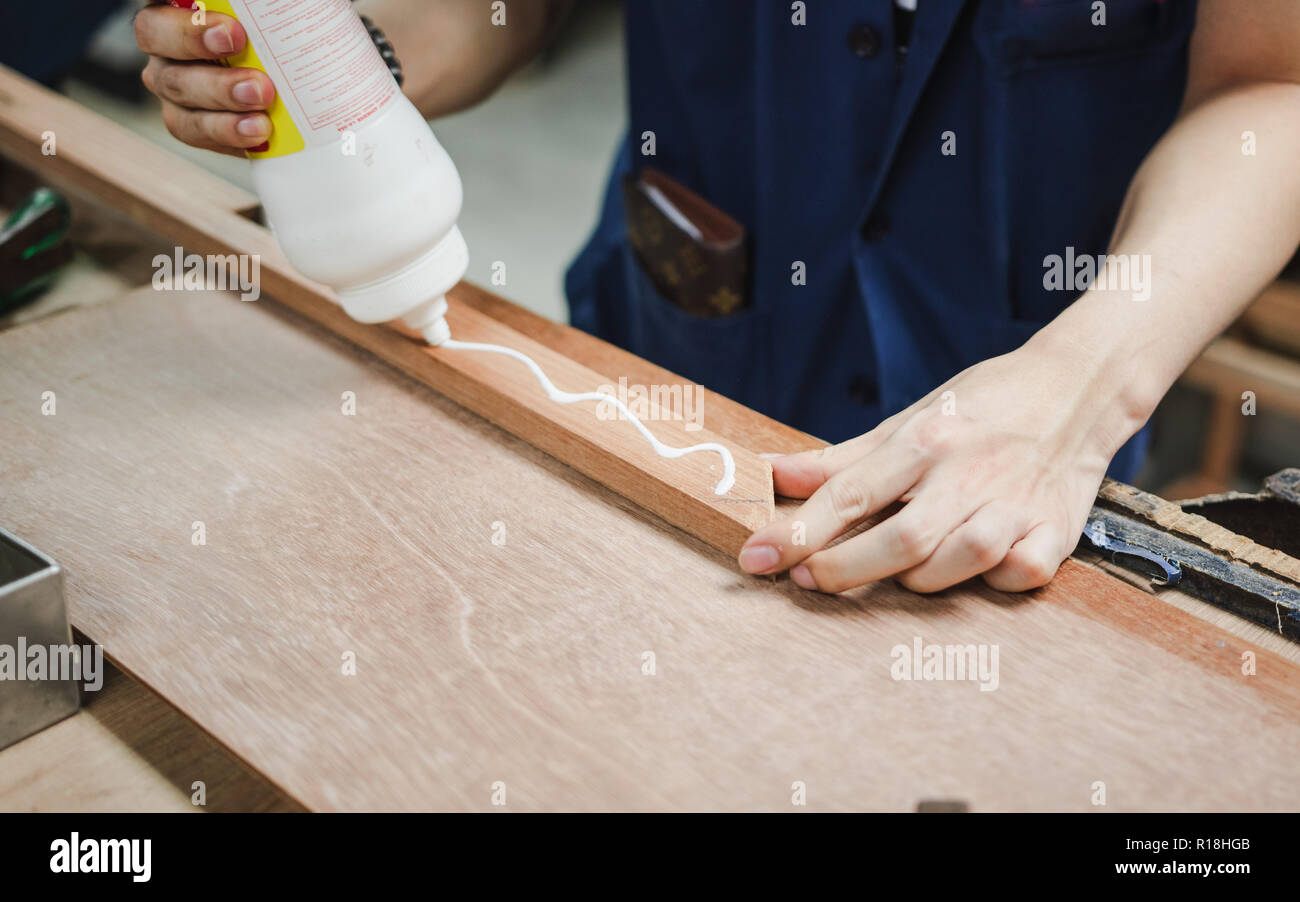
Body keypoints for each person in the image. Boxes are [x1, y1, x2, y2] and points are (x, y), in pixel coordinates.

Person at [133, 0, 1300, 595]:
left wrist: (1076, 386)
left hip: (1019, 426)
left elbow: (1273, 87)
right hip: (665, 344)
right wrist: (352, 70)